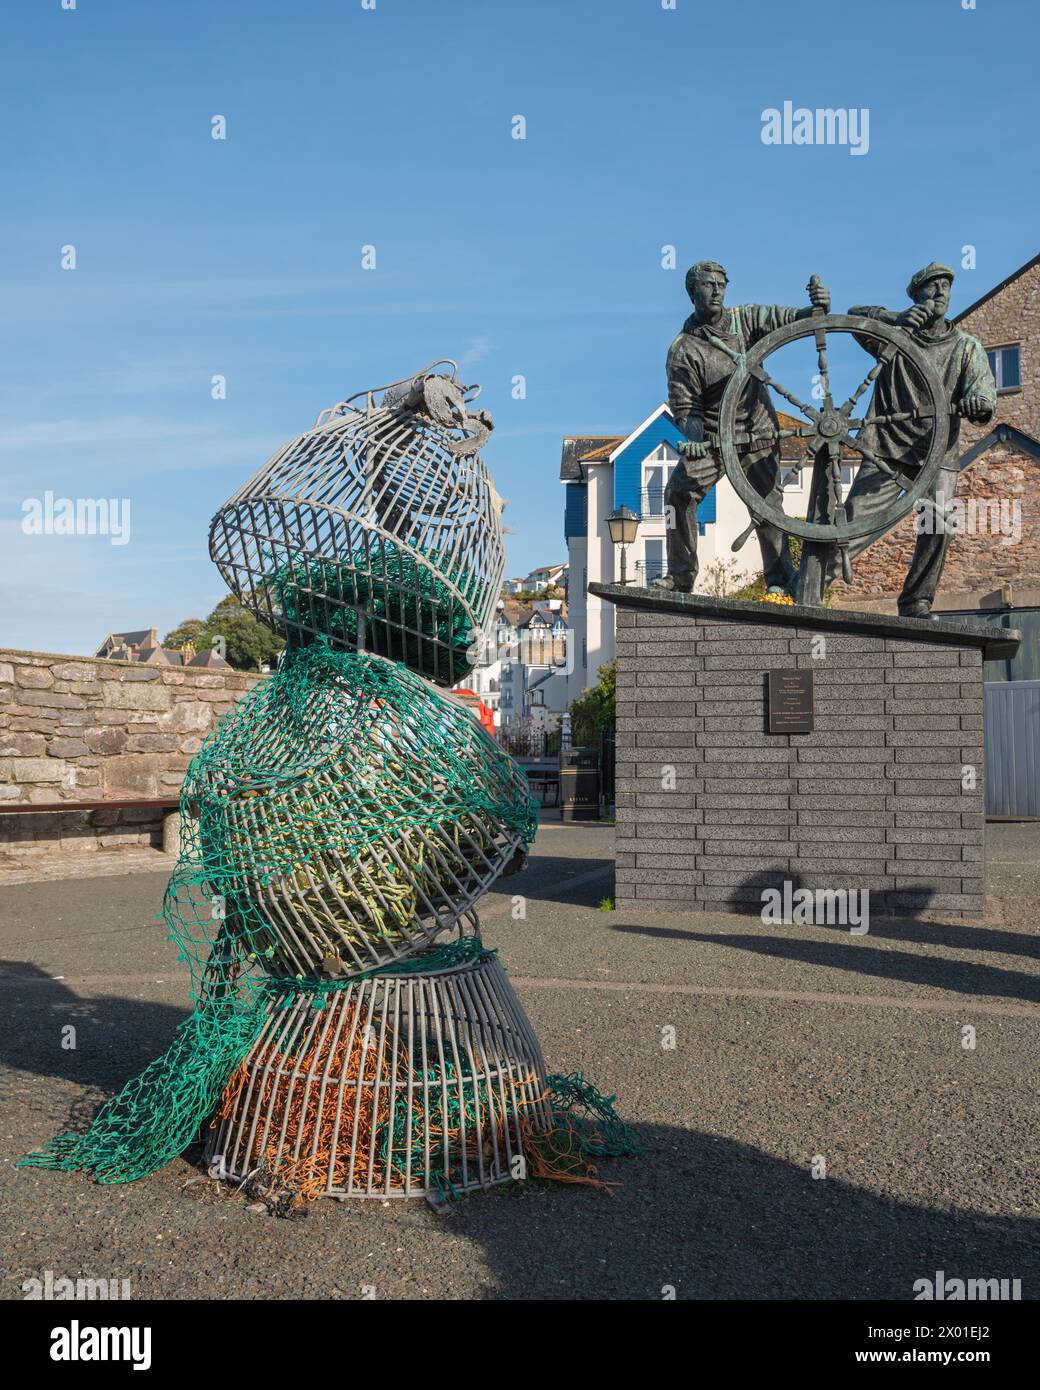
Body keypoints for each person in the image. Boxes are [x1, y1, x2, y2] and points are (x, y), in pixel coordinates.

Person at [827, 262, 996, 617]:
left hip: (937, 451)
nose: (939, 294)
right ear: (916, 296)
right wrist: (896, 319)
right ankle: (813, 581)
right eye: (931, 288)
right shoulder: (895, 336)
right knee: (859, 519)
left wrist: (976, 404)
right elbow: (854, 318)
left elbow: (984, 396)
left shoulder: (967, 348)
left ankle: (916, 599)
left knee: (939, 522)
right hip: (887, 445)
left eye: (945, 288)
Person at [653, 261, 830, 594]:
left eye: (722, 284)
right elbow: (686, 408)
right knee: (677, 494)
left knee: (767, 506)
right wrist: (693, 441)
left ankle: (780, 583)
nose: (717, 290)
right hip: (713, 437)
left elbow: (790, 320)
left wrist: (816, 307)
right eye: (709, 285)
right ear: (693, 293)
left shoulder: (746, 319)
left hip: (758, 431)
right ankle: (680, 577)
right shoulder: (683, 349)